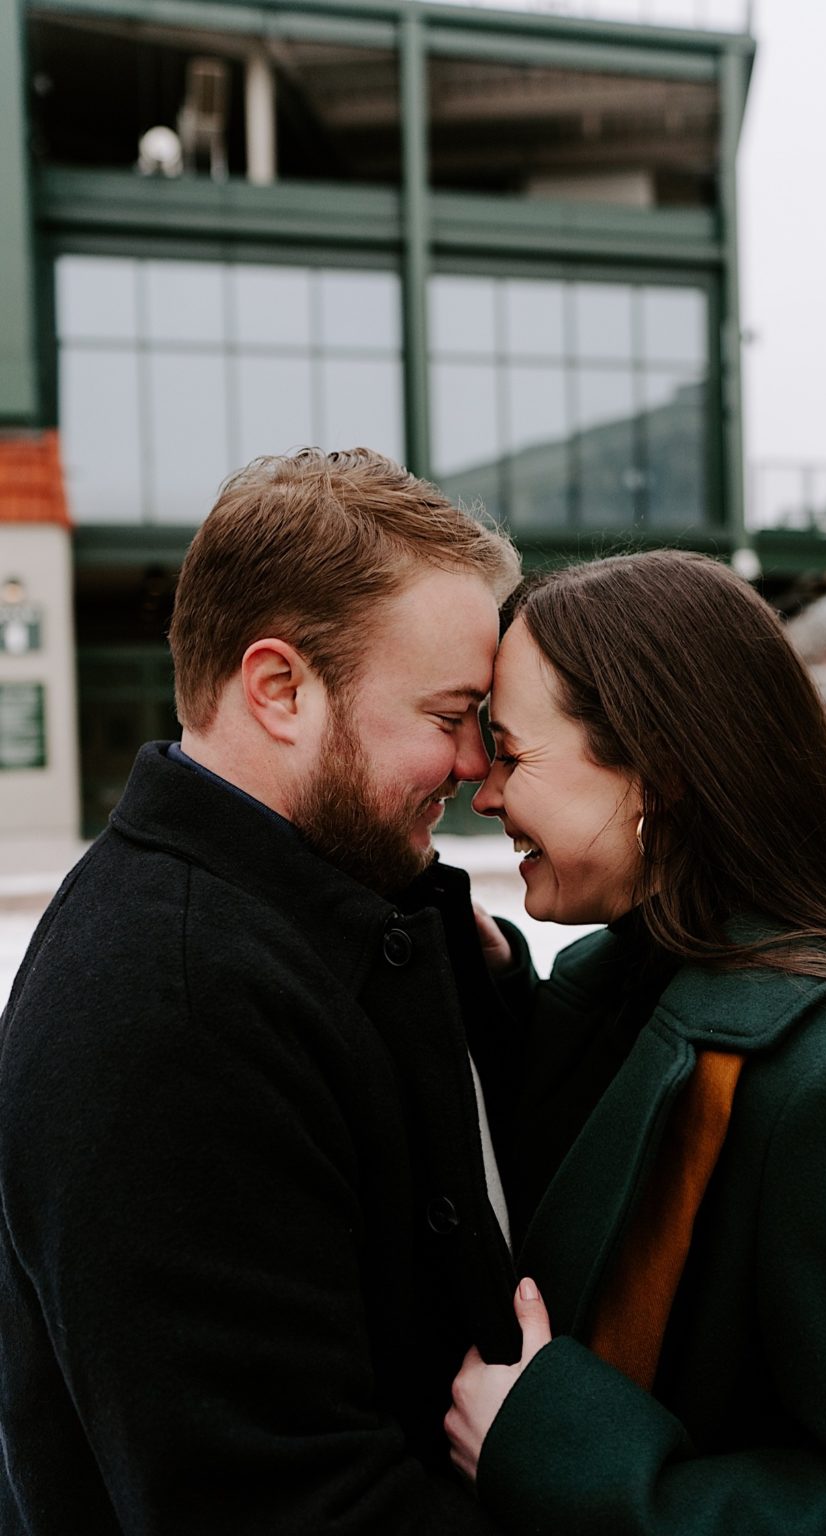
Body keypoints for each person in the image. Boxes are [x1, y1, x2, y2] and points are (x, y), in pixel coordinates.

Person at [0, 448, 527, 1535]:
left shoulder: (328, 909)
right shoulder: (169, 1009)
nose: (477, 764)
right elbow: (285, 1506)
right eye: (449, 716)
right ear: (280, 689)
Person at [445, 549, 826, 1536]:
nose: (484, 792)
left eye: (510, 753)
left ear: (658, 771)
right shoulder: (617, 999)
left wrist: (561, 1451)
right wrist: (483, 991)